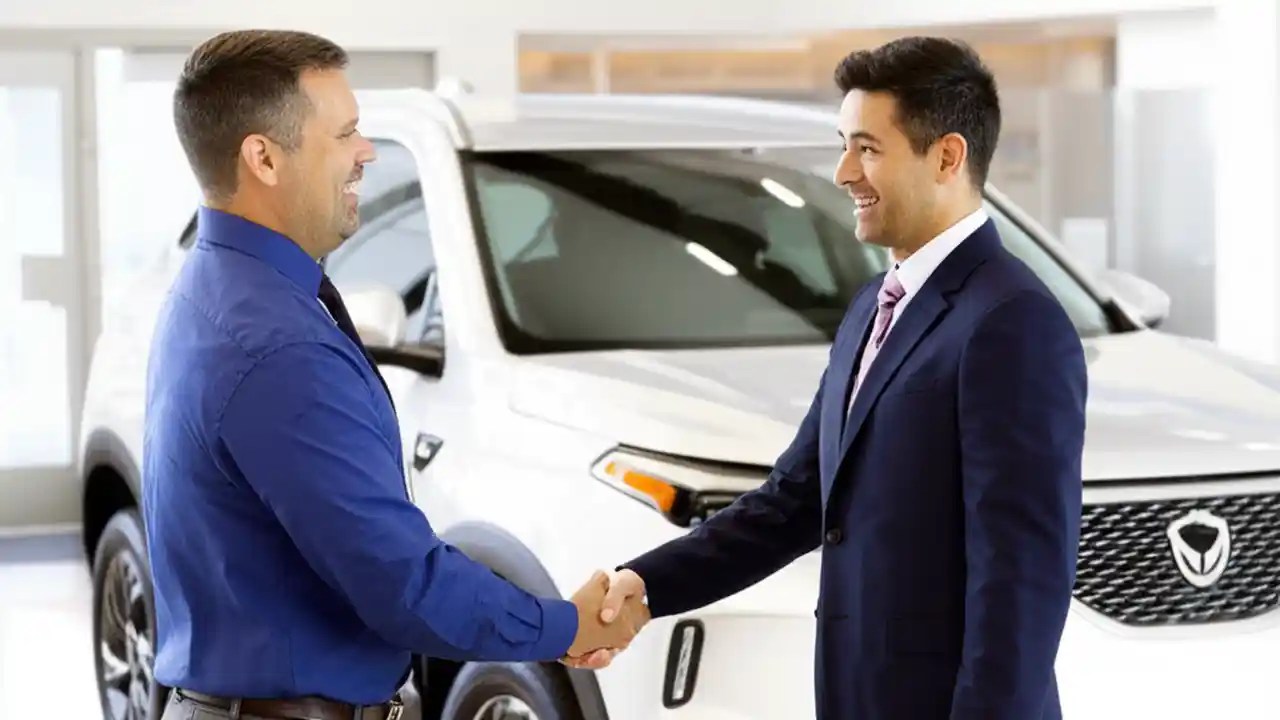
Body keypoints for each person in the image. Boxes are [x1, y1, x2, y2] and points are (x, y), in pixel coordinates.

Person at [576, 36, 1088, 720]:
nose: (844, 171)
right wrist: (642, 587)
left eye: (868, 148)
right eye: (843, 143)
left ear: (947, 156)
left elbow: (1021, 579)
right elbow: (794, 500)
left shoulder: (1011, 321)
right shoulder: (872, 309)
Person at [143, 29, 645, 720]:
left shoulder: (214, 288)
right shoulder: (276, 344)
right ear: (262, 157)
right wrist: (566, 625)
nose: (366, 153)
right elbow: (402, 582)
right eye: (345, 133)